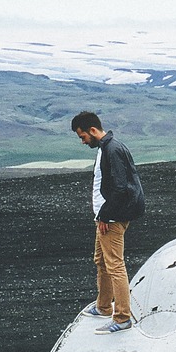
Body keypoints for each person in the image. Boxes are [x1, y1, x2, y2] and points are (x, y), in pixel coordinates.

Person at [70, 111, 146, 334]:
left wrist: (105, 215)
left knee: (114, 265)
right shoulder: (107, 148)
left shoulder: (112, 150)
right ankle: (103, 306)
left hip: (111, 218)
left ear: (92, 130)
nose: (83, 142)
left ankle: (122, 317)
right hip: (105, 216)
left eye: (83, 137)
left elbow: (121, 187)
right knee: (101, 260)